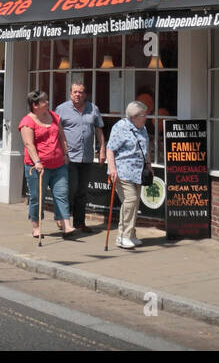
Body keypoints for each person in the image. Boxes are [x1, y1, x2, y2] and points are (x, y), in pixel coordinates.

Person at [18, 89, 76, 239]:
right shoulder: (27, 122)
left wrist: (65, 153)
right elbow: (29, 144)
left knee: (62, 194)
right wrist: (37, 161)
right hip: (38, 167)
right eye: (44, 101)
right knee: (37, 197)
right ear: (35, 105)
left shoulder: (54, 116)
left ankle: (66, 224)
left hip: (58, 164)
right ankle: (36, 227)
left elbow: (62, 136)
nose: (48, 102)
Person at [54, 81, 105, 232]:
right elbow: (55, 132)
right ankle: (63, 219)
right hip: (69, 157)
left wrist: (102, 149)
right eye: (75, 92)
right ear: (70, 94)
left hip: (87, 157)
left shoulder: (93, 108)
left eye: (81, 92)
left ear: (85, 94)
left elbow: (99, 130)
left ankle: (79, 222)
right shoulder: (61, 109)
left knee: (82, 191)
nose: (78, 94)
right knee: (70, 189)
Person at [106, 100, 152, 249]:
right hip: (122, 172)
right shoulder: (120, 127)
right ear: (134, 116)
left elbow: (146, 147)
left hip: (138, 172)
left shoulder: (142, 128)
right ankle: (122, 236)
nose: (146, 117)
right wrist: (112, 169)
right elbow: (110, 149)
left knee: (134, 204)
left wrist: (149, 165)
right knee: (130, 201)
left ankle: (130, 234)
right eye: (143, 115)